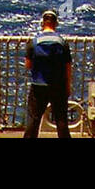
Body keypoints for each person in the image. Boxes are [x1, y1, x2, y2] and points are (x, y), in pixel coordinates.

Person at [23, 9, 72, 138]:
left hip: (38, 86)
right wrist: (68, 86)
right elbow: (68, 67)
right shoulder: (62, 42)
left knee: (33, 120)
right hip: (58, 86)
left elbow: (28, 65)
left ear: (42, 23)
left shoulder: (33, 42)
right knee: (61, 120)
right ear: (56, 23)